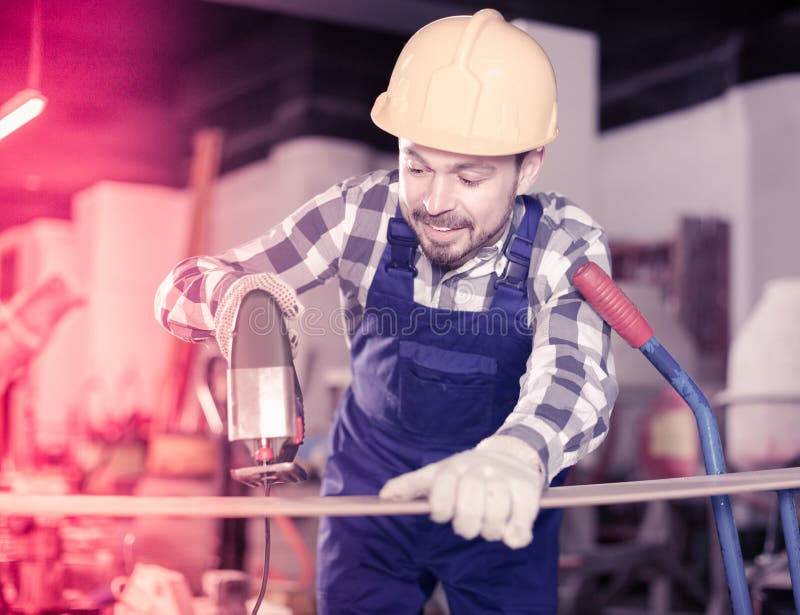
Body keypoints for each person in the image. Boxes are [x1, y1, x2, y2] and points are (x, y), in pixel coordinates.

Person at [155, 8, 617, 614]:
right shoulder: (362, 212)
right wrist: (237, 300)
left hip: (496, 495)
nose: (435, 202)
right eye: (416, 166)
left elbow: (575, 371)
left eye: (469, 178)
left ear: (527, 167)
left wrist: (517, 454)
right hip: (371, 498)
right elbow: (178, 290)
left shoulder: (565, 242)